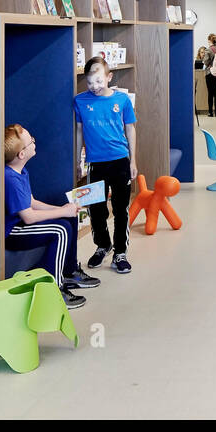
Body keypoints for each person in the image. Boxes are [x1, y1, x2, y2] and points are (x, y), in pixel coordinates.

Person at [3, 123, 100, 309]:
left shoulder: (21, 171)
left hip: (22, 224)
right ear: (21, 154)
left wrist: (64, 209)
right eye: (30, 141)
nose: (34, 142)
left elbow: (31, 202)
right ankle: (53, 291)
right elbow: (28, 217)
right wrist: (61, 211)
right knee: (60, 230)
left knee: (69, 218)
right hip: (14, 232)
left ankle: (69, 272)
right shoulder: (10, 178)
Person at [74, 57, 138, 274]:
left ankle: (120, 252)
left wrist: (133, 160)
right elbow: (79, 131)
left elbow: (130, 130)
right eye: (90, 83)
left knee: (121, 209)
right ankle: (103, 245)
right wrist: (77, 160)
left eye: (99, 81)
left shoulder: (122, 100)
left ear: (109, 77)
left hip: (120, 161)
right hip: (95, 164)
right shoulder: (80, 101)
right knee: (95, 209)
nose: (95, 87)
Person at [198, 38, 216, 117]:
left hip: (210, 73)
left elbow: (206, 62)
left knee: (210, 93)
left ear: (210, 41)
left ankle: (210, 112)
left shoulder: (208, 50)